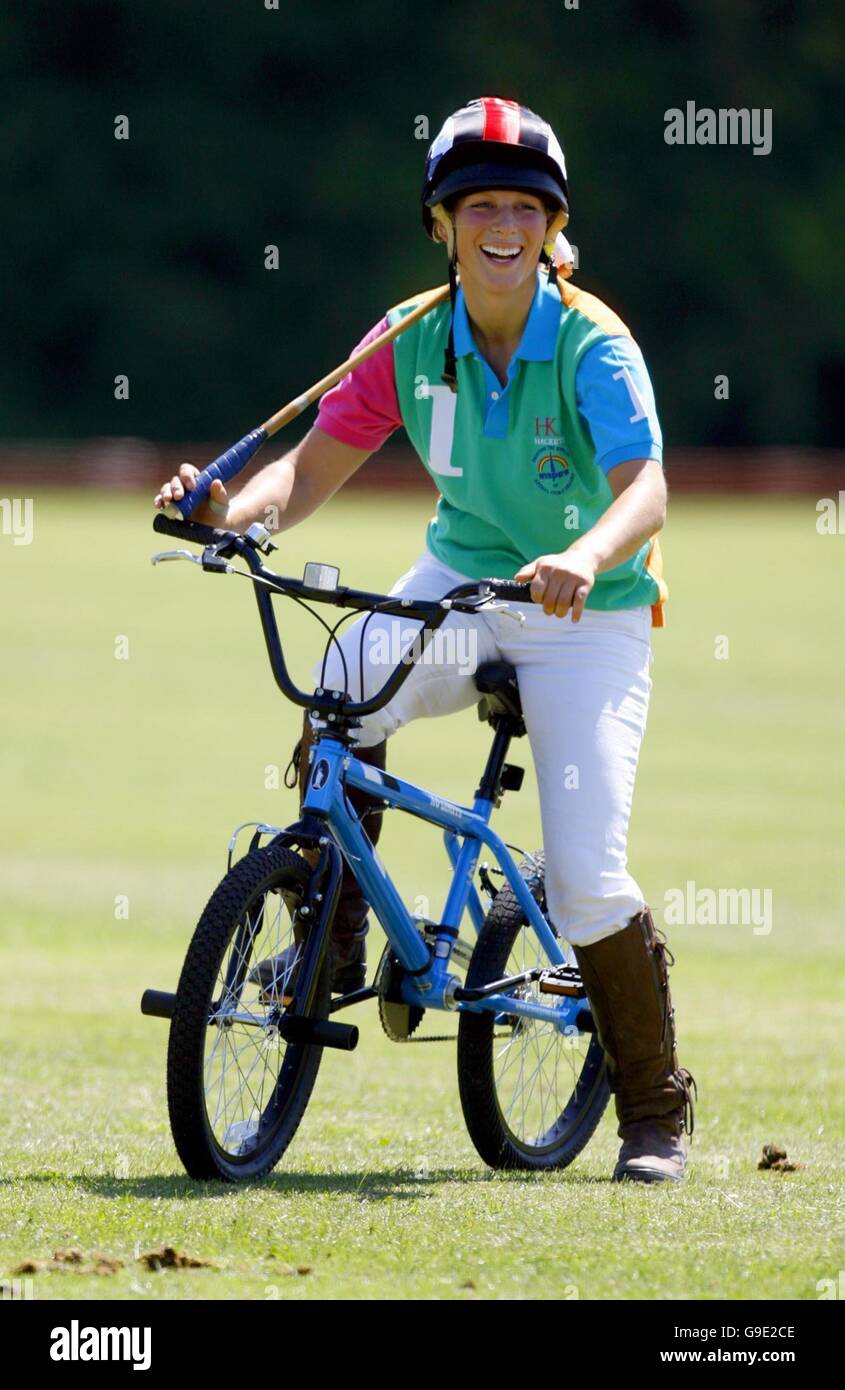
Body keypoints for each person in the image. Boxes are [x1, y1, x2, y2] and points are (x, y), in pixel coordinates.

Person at [154, 96, 696, 1183]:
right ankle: (331, 938)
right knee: (339, 685)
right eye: (478, 206)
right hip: (461, 584)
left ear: (551, 227)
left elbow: (646, 489)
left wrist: (583, 553)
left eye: (525, 208)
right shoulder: (406, 337)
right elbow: (307, 469)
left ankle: (652, 1110)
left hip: (587, 610)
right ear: (441, 224)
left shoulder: (591, 341)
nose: (503, 225)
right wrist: (232, 513)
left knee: (586, 877)